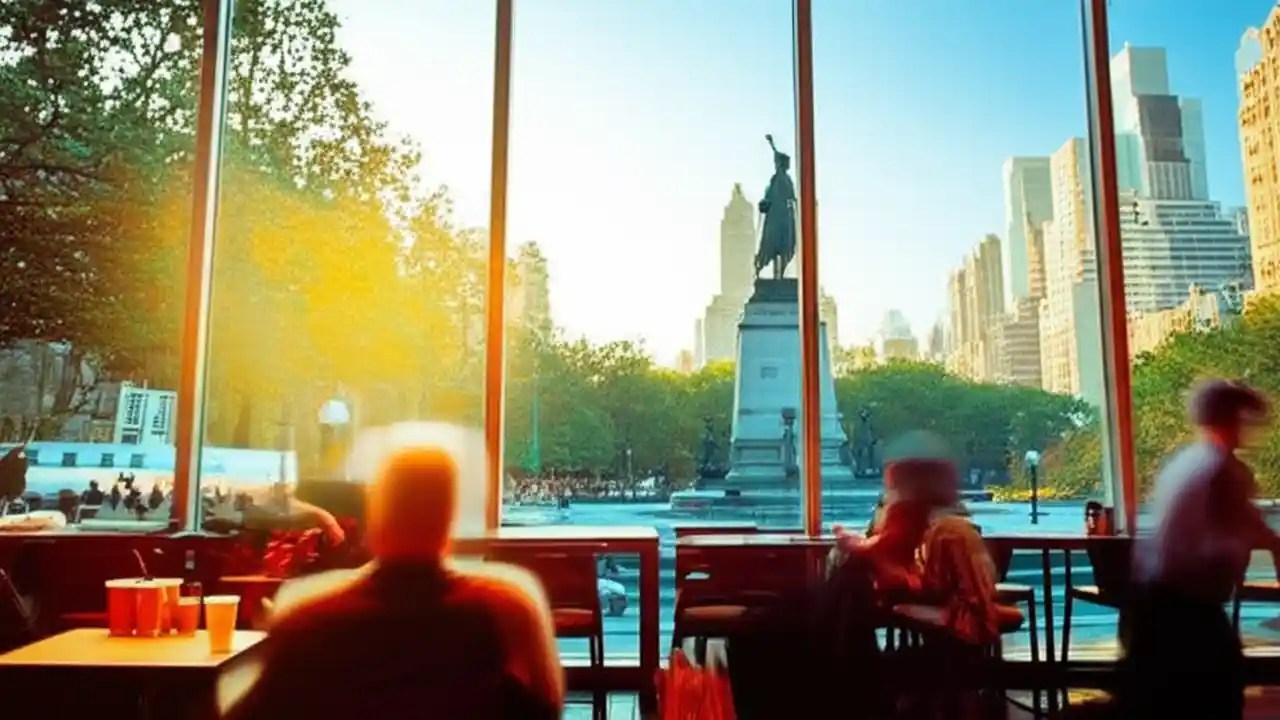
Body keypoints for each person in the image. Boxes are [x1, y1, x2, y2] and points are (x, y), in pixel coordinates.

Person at [218, 446, 563, 719]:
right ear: (448, 518)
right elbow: (546, 706)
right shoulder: (508, 602)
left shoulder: (309, 612)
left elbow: (254, 712)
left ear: (377, 514)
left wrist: (269, 642)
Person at [1123, 379, 1279, 719]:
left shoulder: (1188, 462)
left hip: (1154, 607)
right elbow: (1246, 538)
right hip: (1188, 614)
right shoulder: (1223, 470)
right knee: (1216, 701)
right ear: (1235, 417)